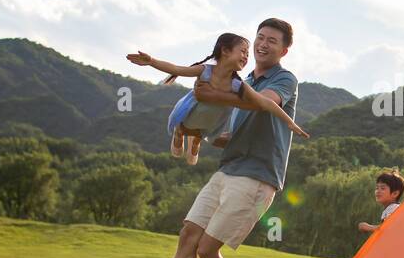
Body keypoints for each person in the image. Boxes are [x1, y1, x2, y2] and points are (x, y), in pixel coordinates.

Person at [132, 18, 300, 258]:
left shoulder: (284, 80)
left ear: (285, 50)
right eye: (259, 38)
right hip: (228, 169)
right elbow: (231, 122)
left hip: (258, 175)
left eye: (272, 41)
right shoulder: (242, 77)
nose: (262, 44)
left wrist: (210, 93)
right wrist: (214, 134)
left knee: (208, 248)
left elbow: (265, 105)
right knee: (188, 236)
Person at [126, 32, 307, 165]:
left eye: (247, 54)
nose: (246, 57)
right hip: (194, 111)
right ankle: (179, 133)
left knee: (201, 132)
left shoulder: (238, 84)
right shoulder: (205, 70)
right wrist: (152, 61)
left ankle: (196, 140)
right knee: (184, 125)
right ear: (226, 51)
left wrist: (289, 122)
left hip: (212, 120)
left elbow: (263, 103)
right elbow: (176, 69)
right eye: (243, 52)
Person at [357, 169, 404, 234]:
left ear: (395, 193)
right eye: (377, 188)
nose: (378, 191)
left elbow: (388, 228)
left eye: (382, 188)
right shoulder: (390, 208)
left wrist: (368, 227)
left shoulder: (394, 208)